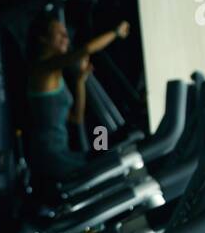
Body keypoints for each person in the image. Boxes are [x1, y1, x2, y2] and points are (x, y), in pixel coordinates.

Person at [24, 15, 131, 196]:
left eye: (66, 34)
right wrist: (116, 32)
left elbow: (77, 117)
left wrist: (80, 81)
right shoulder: (41, 70)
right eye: (59, 34)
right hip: (50, 155)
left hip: (62, 152)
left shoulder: (55, 74)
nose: (66, 38)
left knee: (108, 165)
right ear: (43, 39)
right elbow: (86, 49)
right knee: (103, 178)